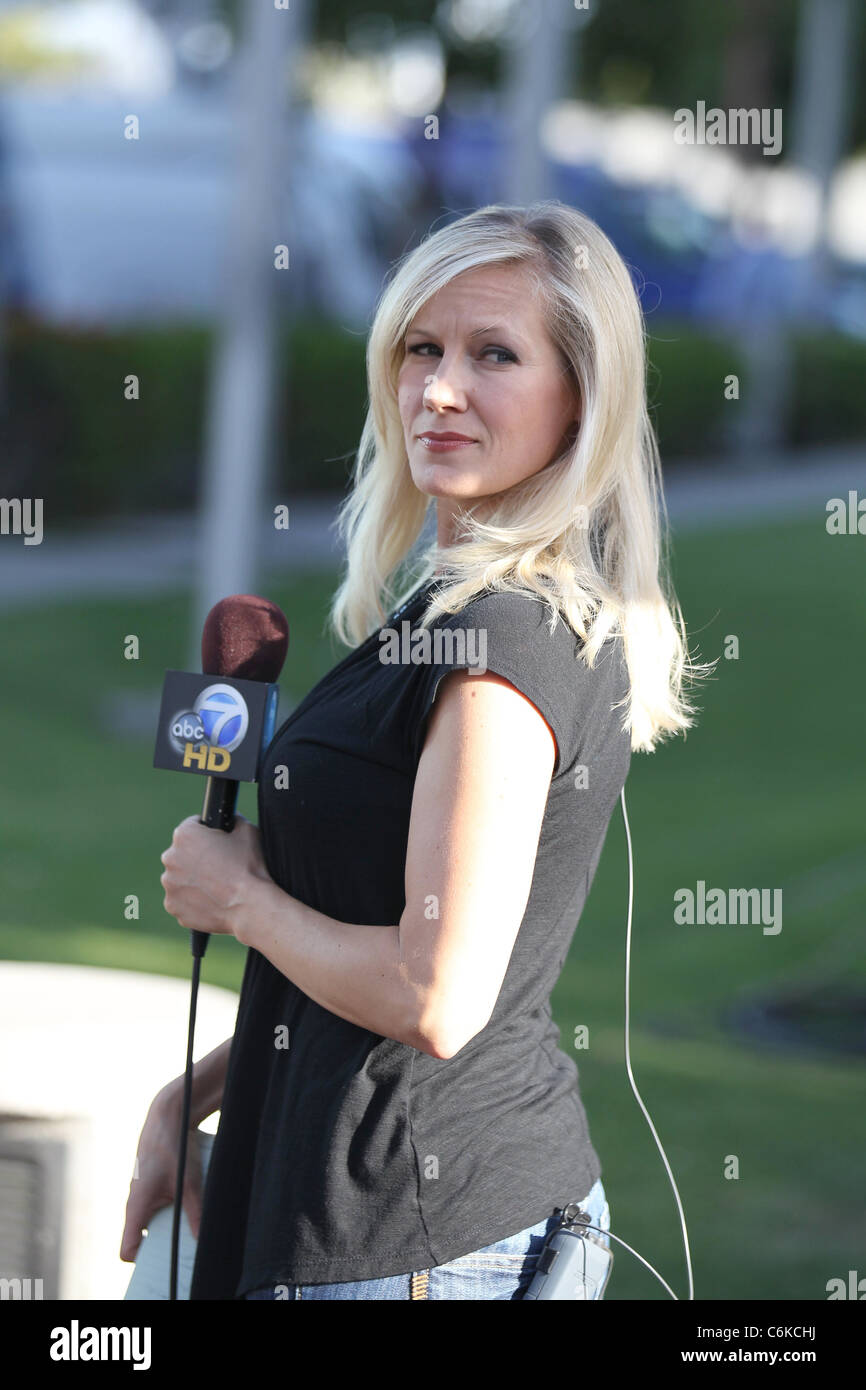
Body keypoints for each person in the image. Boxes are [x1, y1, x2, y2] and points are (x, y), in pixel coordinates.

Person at [121, 201, 707, 1300]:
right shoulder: (443, 619)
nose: (439, 389)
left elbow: (432, 994)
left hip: (413, 1234)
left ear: (581, 393)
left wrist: (239, 899)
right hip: (362, 1208)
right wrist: (195, 1094)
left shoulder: (501, 641)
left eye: (494, 354)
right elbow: (353, 960)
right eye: (419, 349)